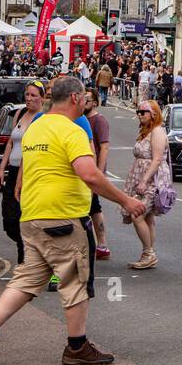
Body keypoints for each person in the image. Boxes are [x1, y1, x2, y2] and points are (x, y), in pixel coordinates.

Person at [0, 78, 146, 365]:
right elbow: (88, 174)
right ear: (74, 98)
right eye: (84, 97)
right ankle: (77, 346)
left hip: (33, 215)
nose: (86, 102)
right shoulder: (71, 131)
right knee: (75, 280)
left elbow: (25, 164)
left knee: (28, 278)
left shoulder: (36, 127)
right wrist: (126, 200)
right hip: (62, 217)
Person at [0, 81, 45, 264]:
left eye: (33, 95)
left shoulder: (42, 118)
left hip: (30, 173)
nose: (29, 99)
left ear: (42, 98)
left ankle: (25, 261)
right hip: (13, 171)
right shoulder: (20, 113)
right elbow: (10, 142)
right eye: (27, 95)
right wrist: (2, 168)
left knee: (25, 218)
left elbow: (32, 149)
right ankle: (28, 252)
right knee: (10, 220)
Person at [122, 99, 173, 269]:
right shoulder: (146, 131)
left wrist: (144, 180)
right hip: (142, 177)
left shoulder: (157, 131)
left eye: (143, 112)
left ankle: (148, 253)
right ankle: (148, 253)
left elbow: (157, 159)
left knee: (137, 214)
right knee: (148, 217)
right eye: (138, 112)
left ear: (154, 114)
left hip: (152, 180)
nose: (139, 115)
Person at [83, 90, 112, 260]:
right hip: (83, 169)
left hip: (92, 171)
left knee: (94, 207)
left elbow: (104, 147)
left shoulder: (99, 120)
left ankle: (102, 244)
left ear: (94, 102)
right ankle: (99, 245)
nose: (84, 102)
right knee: (91, 206)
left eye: (88, 100)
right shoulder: (81, 119)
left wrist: (99, 172)